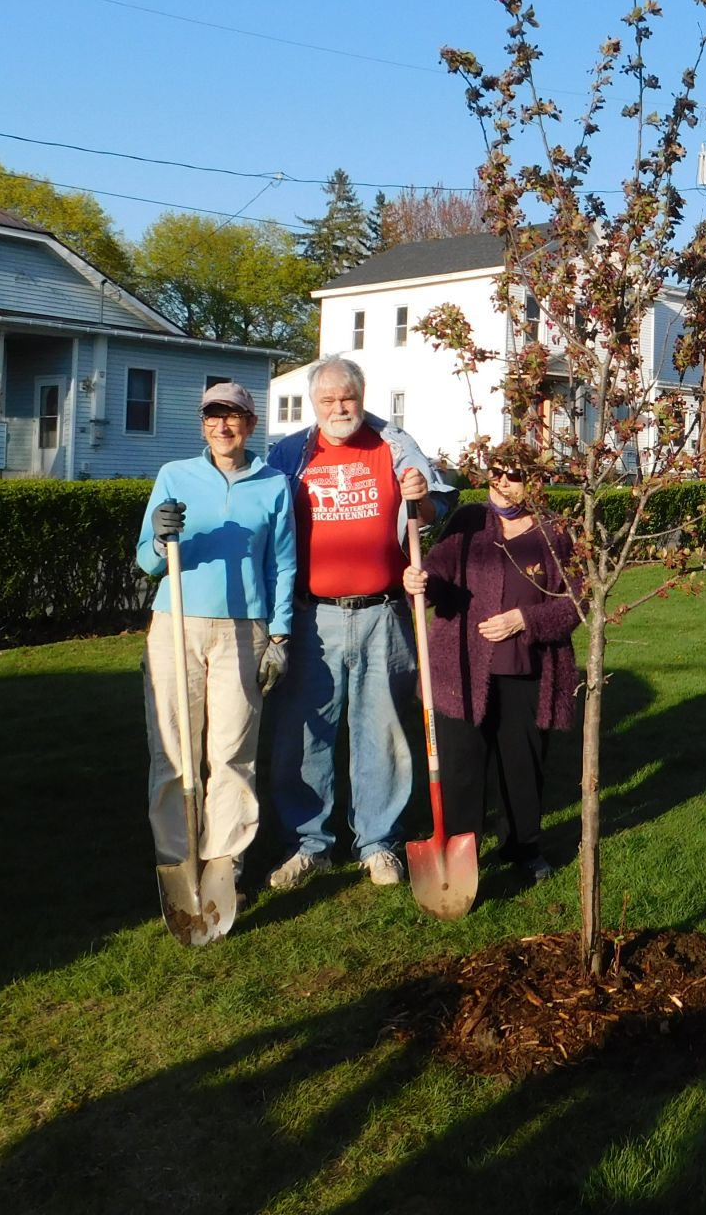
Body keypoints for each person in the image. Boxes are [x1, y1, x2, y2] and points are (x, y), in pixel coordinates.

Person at [263, 356, 454, 891]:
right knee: (305, 733)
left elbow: (434, 511)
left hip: (382, 613)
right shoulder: (290, 454)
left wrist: (421, 499)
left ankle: (378, 842)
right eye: (327, 400)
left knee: (382, 731)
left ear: (362, 396)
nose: (338, 408)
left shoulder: (393, 446)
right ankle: (309, 844)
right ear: (314, 404)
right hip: (312, 617)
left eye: (347, 397)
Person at [134, 382, 297, 913]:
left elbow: (282, 565)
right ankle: (178, 863)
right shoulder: (174, 476)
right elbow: (147, 561)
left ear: (251, 424)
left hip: (243, 631)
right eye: (213, 417)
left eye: (233, 417)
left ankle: (225, 866)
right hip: (176, 625)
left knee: (231, 754)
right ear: (202, 424)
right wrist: (160, 537)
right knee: (174, 750)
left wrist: (279, 635)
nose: (222, 426)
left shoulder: (273, 483)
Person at [402, 447, 581, 879]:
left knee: (521, 767)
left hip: (528, 670)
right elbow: (437, 574)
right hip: (460, 669)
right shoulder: (469, 521)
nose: (501, 482)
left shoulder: (556, 533)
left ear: (535, 480)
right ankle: (459, 855)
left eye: (513, 474)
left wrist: (526, 620)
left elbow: (578, 600)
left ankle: (523, 850)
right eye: (494, 472)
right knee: (461, 768)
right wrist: (418, 582)